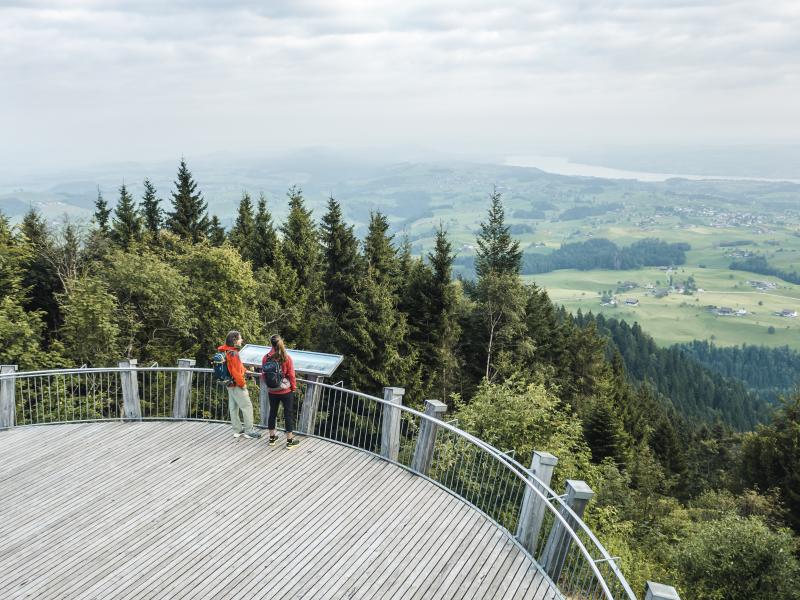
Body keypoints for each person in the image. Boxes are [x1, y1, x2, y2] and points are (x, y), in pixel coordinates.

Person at [219, 330, 261, 439]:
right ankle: (249, 431)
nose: (241, 340)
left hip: (229, 383)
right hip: (237, 384)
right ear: (235, 340)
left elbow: (235, 368)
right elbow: (236, 373)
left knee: (233, 407)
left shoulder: (226, 351)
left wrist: (246, 371)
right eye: (240, 338)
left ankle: (237, 430)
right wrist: (243, 384)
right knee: (247, 407)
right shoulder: (234, 354)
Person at [262, 334, 298, 448]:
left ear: (270, 343)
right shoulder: (286, 357)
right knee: (288, 414)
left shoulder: (266, 357)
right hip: (285, 390)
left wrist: (269, 385)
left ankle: (272, 439)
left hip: (272, 390)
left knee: (272, 412)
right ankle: (289, 441)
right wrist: (293, 387)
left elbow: (264, 375)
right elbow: (291, 375)